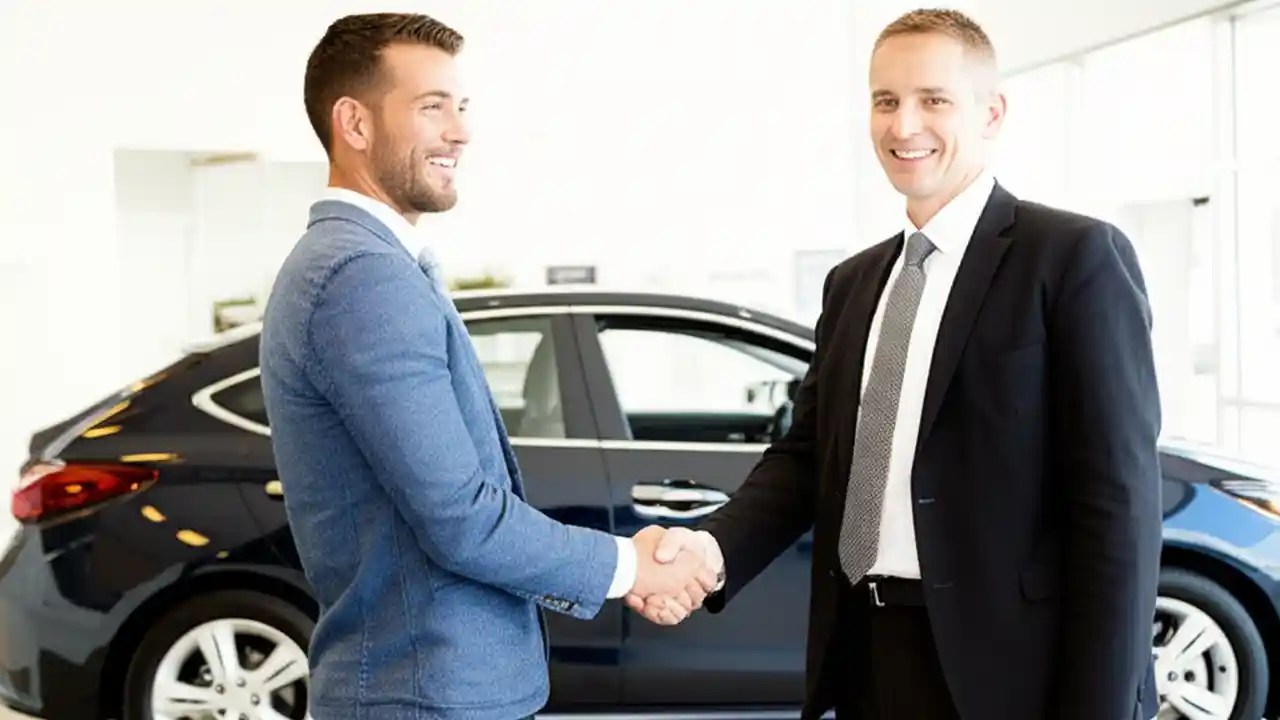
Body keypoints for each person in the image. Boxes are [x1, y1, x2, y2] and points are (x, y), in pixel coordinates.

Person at [631, 8, 1163, 720]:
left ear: (991, 113)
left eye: (933, 99)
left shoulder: (1071, 258)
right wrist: (711, 552)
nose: (903, 125)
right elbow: (805, 460)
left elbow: (1117, 510)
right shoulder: (853, 284)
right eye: (885, 101)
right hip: (863, 655)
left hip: (1010, 678)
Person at [258, 13, 717, 720]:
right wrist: (630, 566)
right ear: (354, 123)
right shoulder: (360, 276)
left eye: (462, 106)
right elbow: (462, 520)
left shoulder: (365, 265)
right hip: (424, 694)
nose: (461, 132)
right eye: (432, 107)